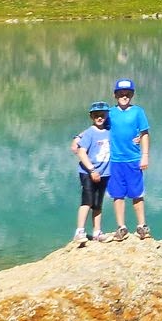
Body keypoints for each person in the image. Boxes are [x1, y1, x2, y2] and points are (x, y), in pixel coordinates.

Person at [105, 77, 152, 241]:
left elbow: (145, 134)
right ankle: (121, 227)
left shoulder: (138, 112)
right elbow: (96, 128)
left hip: (133, 159)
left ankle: (142, 226)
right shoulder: (109, 113)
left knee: (136, 193)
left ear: (132, 95)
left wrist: (145, 156)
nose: (124, 96)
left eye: (128, 93)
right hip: (115, 160)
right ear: (115, 95)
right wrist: (78, 137)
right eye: (121, 93)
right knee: (117, 195)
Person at [70, 101, 113, 246]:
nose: (99, 118)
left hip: (104, 173)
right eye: (96, 115)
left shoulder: (109, 132)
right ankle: (80, 231)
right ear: (91, 116)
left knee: (98, 203)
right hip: (88, 172)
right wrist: (92, 170)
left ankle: (97, 232)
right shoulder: (89, 133)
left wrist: (136, 139)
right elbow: (81, 152)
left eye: (102, 115)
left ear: (107, 115)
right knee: (87, 201)